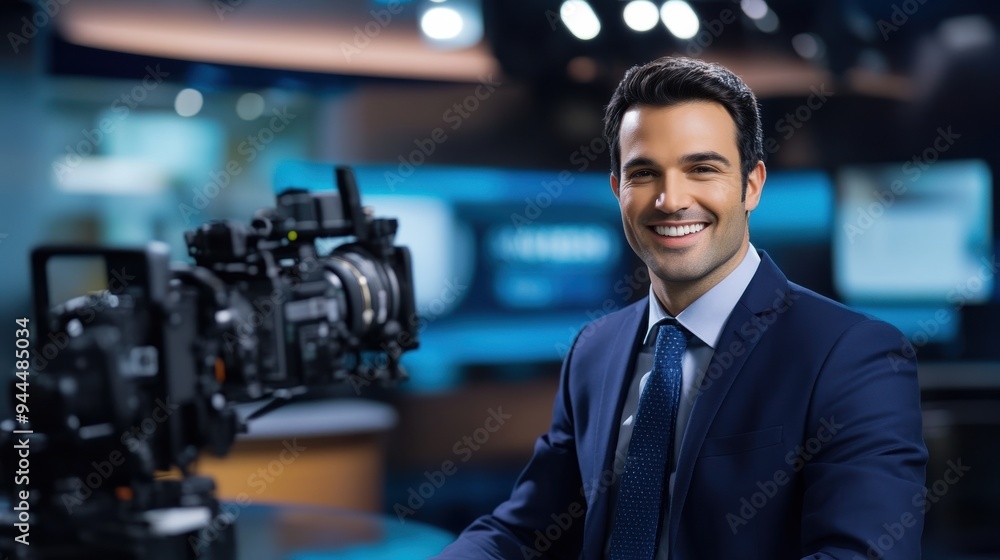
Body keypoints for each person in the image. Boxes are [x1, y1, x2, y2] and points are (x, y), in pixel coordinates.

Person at [432, 56, 927, 560]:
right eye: (644, 173)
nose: (670, 200)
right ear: (616, 190)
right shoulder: (594, 350)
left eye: (702, 169)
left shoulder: (853, 354)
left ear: (751, 184)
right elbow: (523, 532)